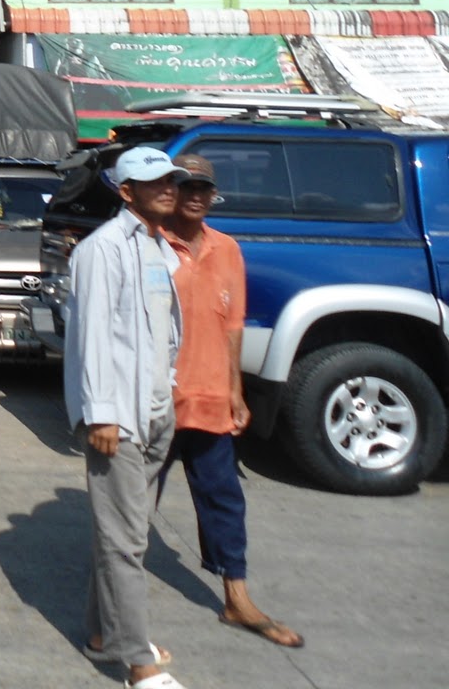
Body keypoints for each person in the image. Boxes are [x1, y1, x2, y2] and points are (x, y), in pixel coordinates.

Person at [162, 155, 303, 650]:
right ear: (169, 190)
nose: (196, 196)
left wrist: (236, 391)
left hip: (210, 399)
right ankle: (113, 610)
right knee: (132, 509)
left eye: (205, 188)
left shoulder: (227, 249)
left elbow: (233, 324)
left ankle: (236, 599)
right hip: (156, 403)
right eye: (186, 186)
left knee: (224, 499)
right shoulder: (151, 246)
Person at [63, 145, 188, 689]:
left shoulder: (163, 250)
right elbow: (90, 338)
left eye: (173, 179)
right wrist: (102, 414)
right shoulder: (102, 249)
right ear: (125, 189)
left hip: (157, 411)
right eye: (153, 180)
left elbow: (163, 335)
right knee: (125, 541)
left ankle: (102, 635)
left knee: (125, 533)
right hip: (120, 419)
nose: (168, 187)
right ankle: (138, 662)